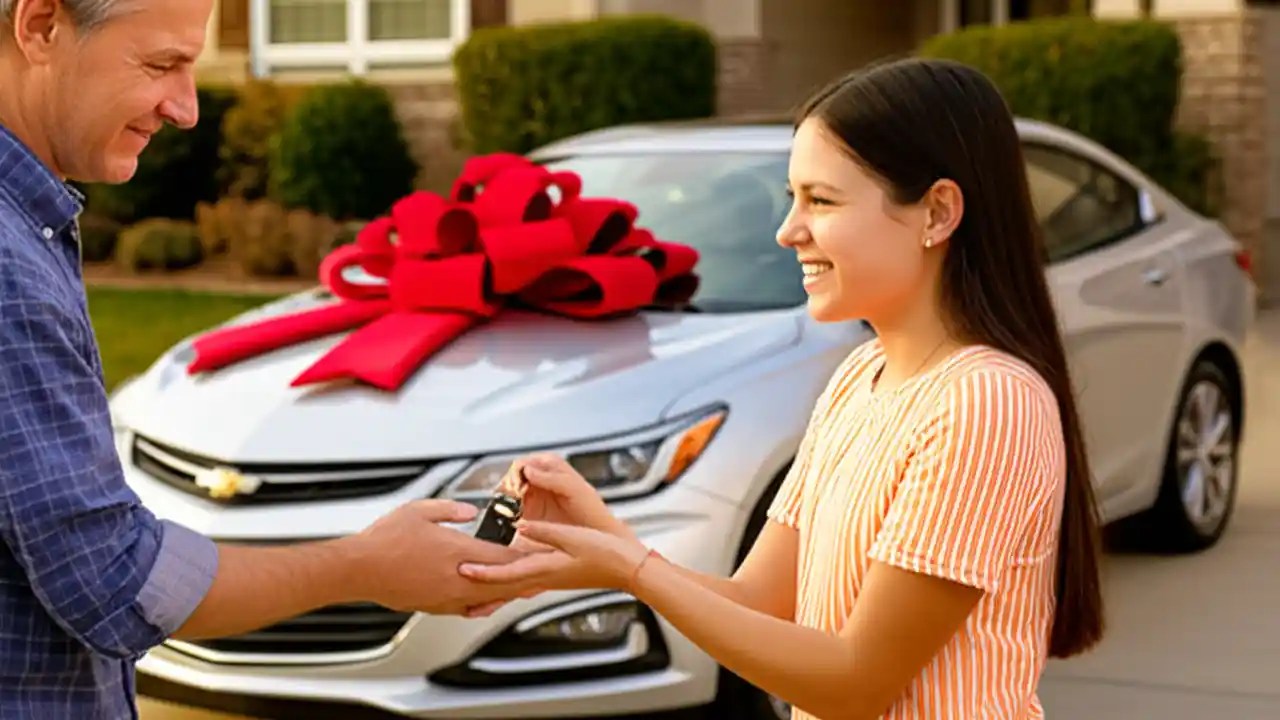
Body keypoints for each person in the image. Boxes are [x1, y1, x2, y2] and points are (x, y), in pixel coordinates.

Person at [461, 58, 1107, 719]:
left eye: (821, 200)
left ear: (937, 212)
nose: (788, 230)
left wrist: (629, 572)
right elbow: (755, 603)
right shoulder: (861, 377)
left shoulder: (986, 402)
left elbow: (855, 684)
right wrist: (612, 544)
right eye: (792, 197)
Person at [0, 1, 527, 716]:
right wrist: (363, 566)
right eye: (161, 64)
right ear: (39, 27)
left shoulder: (29, 225)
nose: (185, 108)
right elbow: (109, 581)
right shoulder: (7, 265)